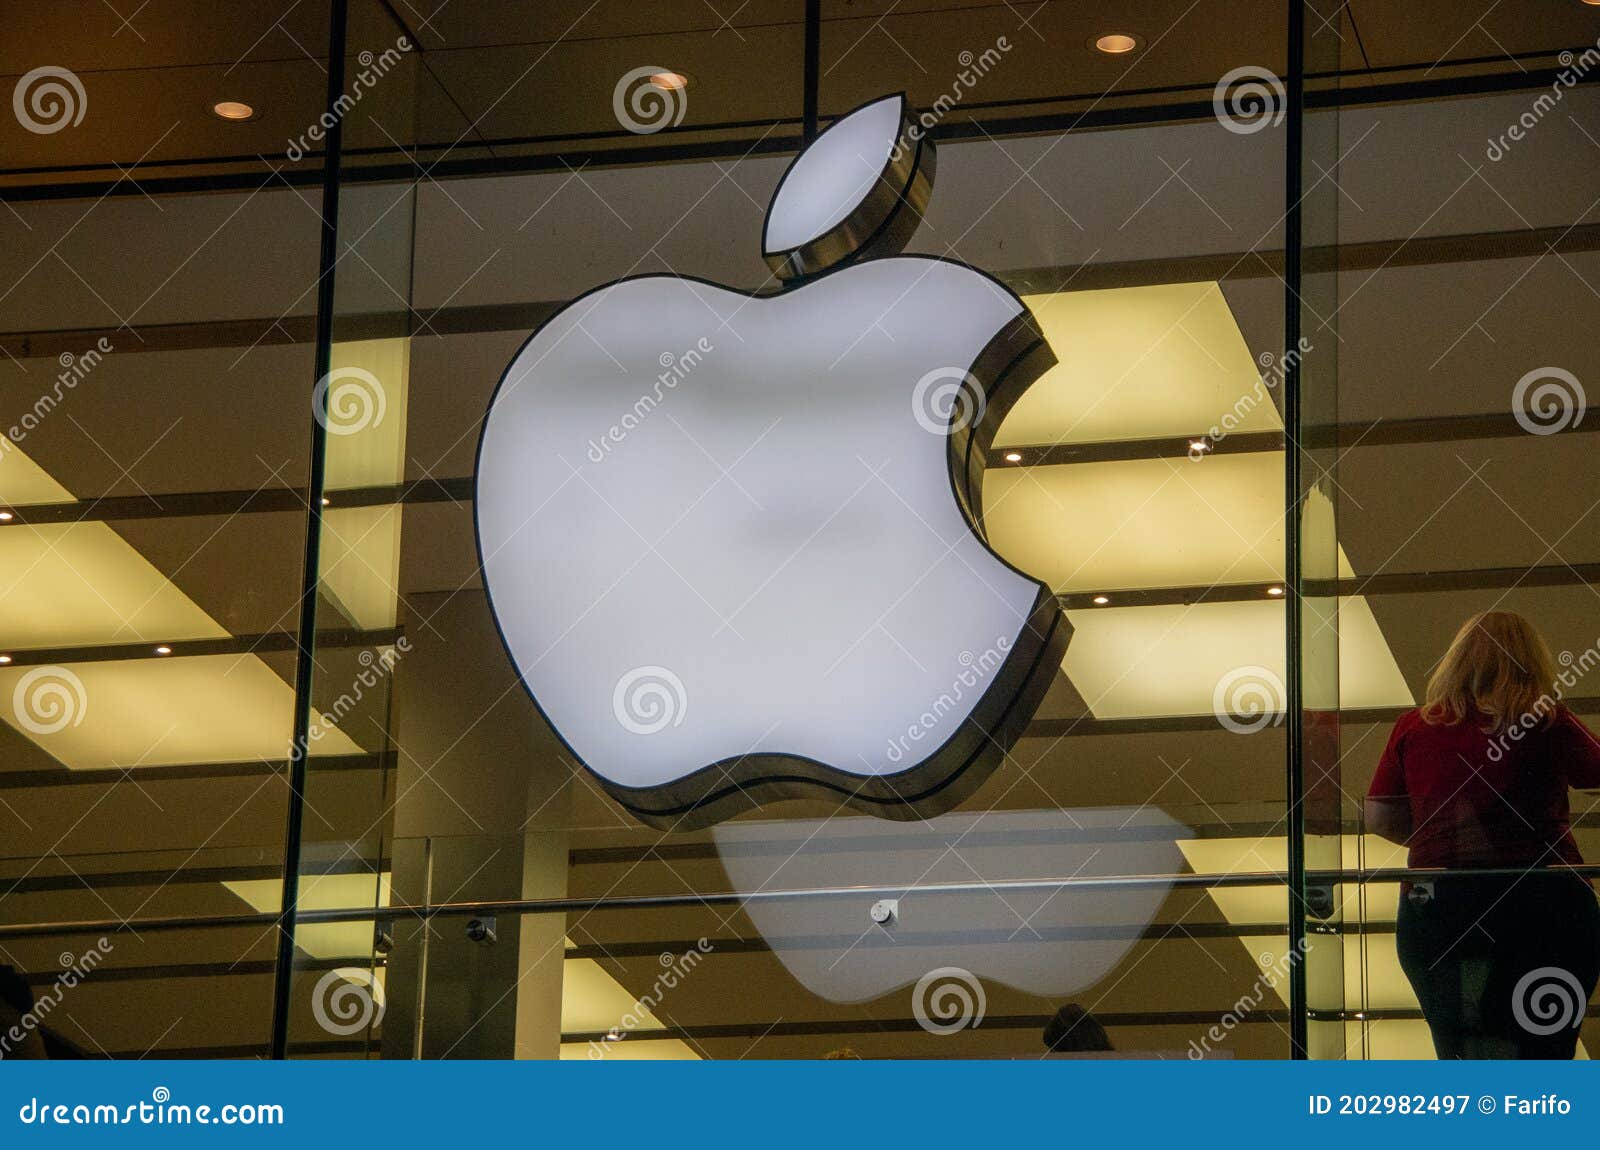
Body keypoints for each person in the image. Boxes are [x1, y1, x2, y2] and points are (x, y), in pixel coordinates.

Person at [1366, 611, 1600, 1059]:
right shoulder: (1547, 722)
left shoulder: (1414, 727)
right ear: (1532, 662)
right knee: (1545, 1049)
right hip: (1545, 900)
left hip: (1439, 906)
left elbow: (1379, 817)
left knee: (1460, 1049)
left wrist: (1437, 841)